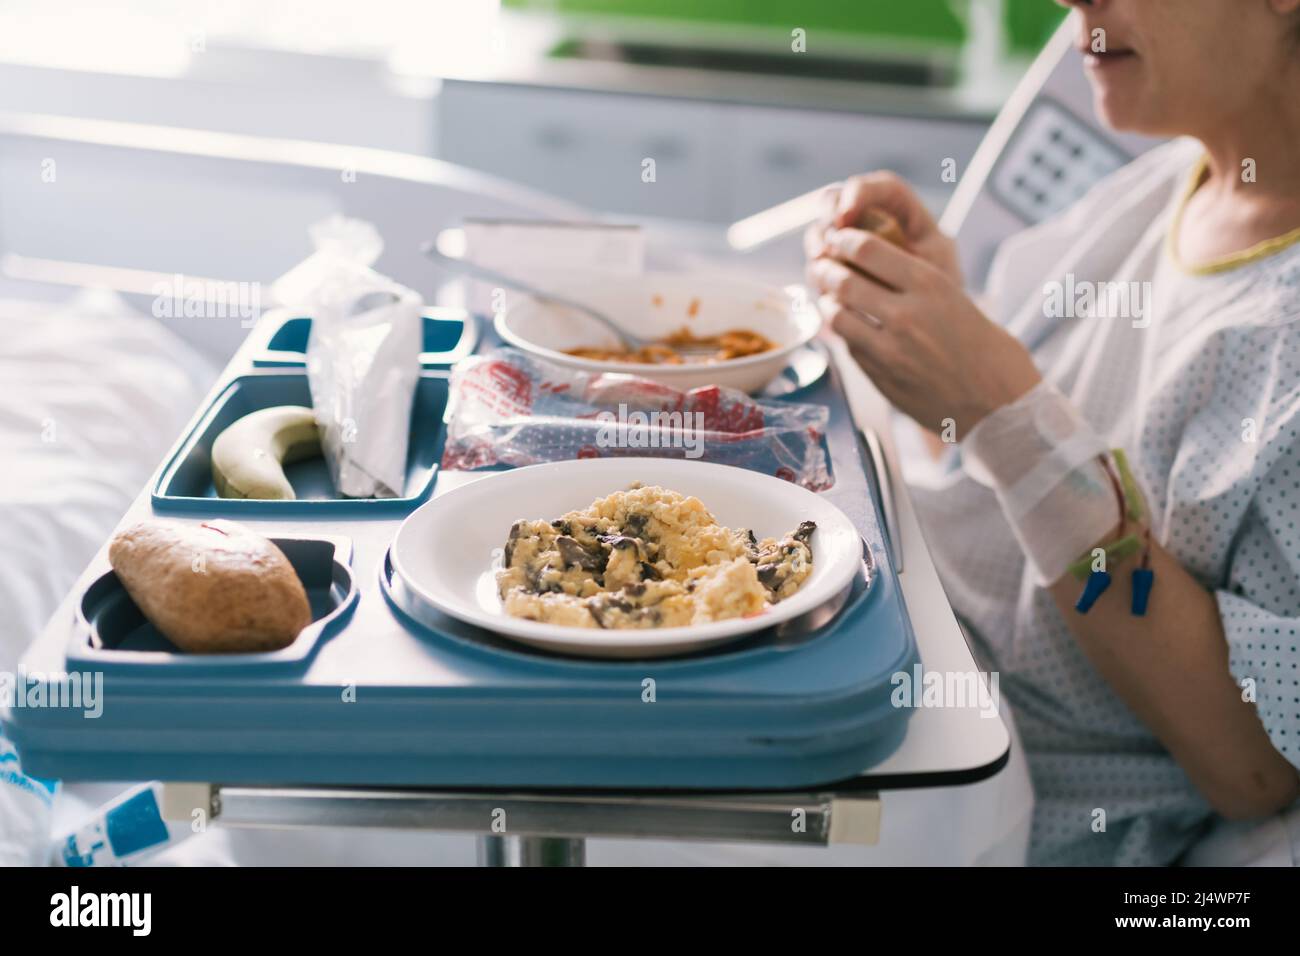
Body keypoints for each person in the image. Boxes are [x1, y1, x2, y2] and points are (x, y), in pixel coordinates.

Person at [806, 0, 1300, 864]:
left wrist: (1005, 412)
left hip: (986, 792)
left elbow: (1251, 763)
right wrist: (942, 326)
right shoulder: (1170, 181)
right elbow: (1005, 462)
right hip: (893, 644)